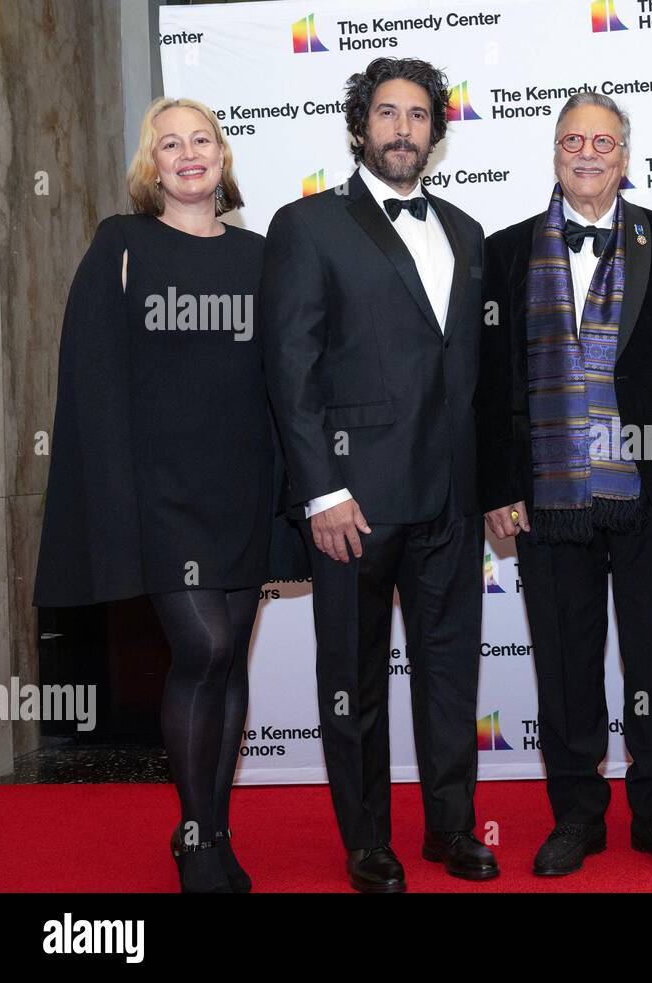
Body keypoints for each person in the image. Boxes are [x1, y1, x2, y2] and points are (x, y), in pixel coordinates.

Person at [34, 97, 301, 893]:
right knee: (205, 649)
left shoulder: (260, 256)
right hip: (160, 495)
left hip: (244, 487)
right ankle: (193, 830)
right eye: (170, 144)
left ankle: (213, 830)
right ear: (151, 165)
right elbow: (92, 382)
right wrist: (113, 502)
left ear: (222, 155)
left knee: (231, 665)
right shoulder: (122, 244)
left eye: (202, 140)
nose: (189, 154)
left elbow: (284, 381)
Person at [476, 92, 652, 877]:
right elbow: (491, 385)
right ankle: (577, 815)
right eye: (572, 140)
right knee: (564, 663)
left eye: (602, 141)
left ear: (626, 156)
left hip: (650, 493)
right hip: (546, 498)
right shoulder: (506, 250)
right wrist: (497, 484)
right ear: (554, 153)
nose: (586, 153)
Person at [262, 57, 495, 892]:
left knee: (448, 671)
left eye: (419, 115)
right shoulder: (307, 224)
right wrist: (321, 488)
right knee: (352, 679)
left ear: (437, 131)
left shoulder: (467, 231)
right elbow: (290, 369)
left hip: (450, 498)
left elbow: (473, 373)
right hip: (353, 499)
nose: (404, 129)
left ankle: (451, 828)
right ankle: (367, 840)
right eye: (388, 114)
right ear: (362, 127)